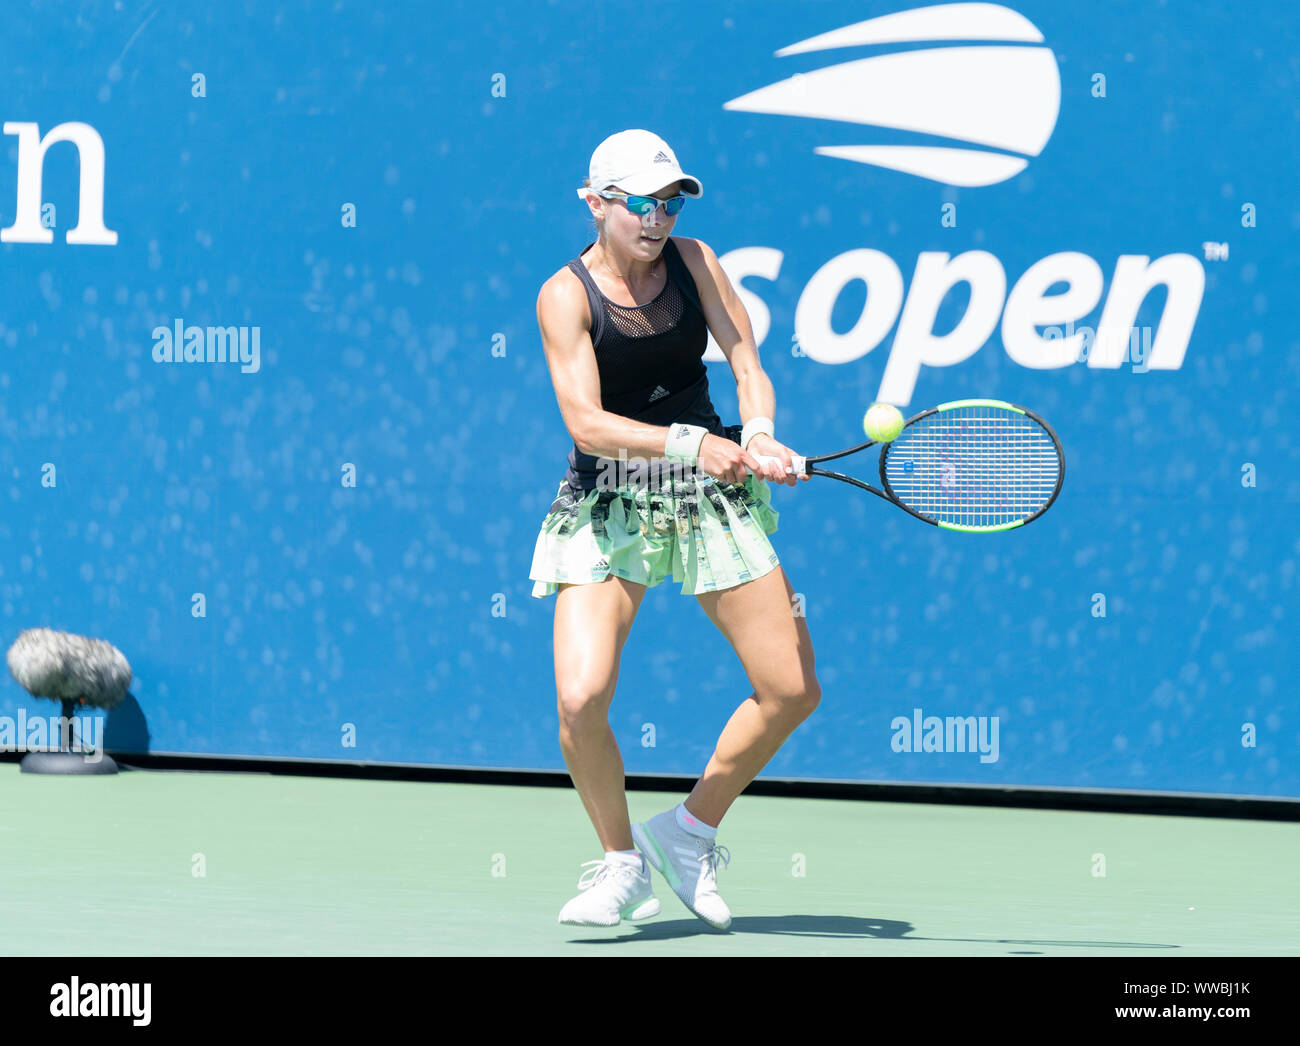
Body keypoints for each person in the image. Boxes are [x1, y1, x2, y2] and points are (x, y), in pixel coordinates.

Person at [529, 129, 821, 931]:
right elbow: (587, 423)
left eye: (670, 201)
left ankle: (690, 830)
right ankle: (621, 863)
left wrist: (758, 432)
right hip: (609, 502)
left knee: (792, 690)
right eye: (641, 203)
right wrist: (694, 442)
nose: (658, 218)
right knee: (581, 696)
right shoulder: (565, 296)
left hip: (707, 501)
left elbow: (745, 357)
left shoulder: (694, 262)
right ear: (595, 203)